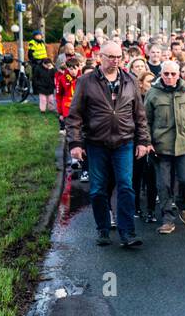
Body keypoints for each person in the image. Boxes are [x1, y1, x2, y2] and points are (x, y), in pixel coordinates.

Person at [64, 40, 150, 248]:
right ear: (99, 57)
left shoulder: (130, 80)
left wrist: (143, 140)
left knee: (126, 186)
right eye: (110, 57)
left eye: (118, 57)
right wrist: (75, 143)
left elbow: (140, 115)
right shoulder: (86, 81)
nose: (115, 61)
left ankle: (127, 232)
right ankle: (103, 228)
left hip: (124, 142)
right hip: (96, 143)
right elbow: (74, 116)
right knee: (98, 189)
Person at [143, 60, 185, 235]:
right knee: (164, 184)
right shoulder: (153, 93)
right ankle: (167, 219)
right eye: (166, 74)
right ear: (161, 74)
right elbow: (145, 122)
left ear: (179, 74)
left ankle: (182, 204)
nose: (170, 77)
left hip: (184, 145)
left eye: (173, 74)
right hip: (160, 147)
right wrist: (147, 142)